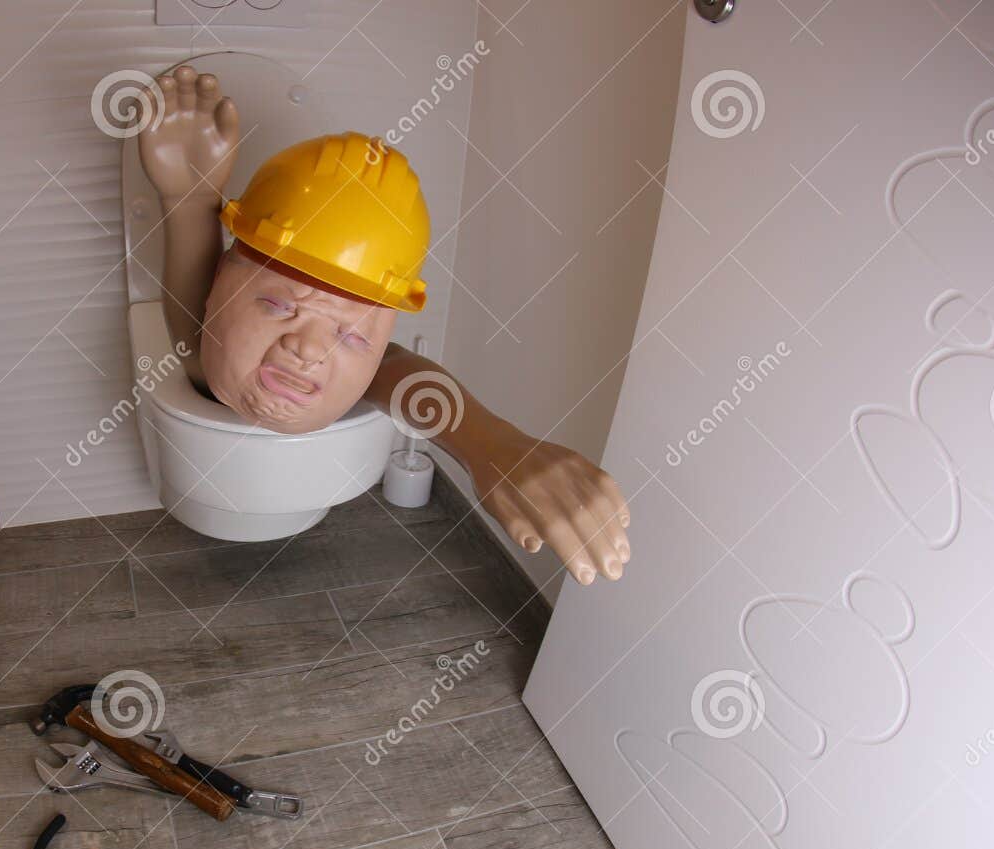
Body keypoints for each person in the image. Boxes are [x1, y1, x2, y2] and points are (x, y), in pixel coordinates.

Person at [138, 65, 631, 586]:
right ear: (217, 282)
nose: (309, 348)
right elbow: (196, 326)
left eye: (352, 335)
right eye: (281, 305)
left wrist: (494, 445)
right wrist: (189, 202)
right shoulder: (208, 340)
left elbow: (395, 370)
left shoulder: (358, 368)